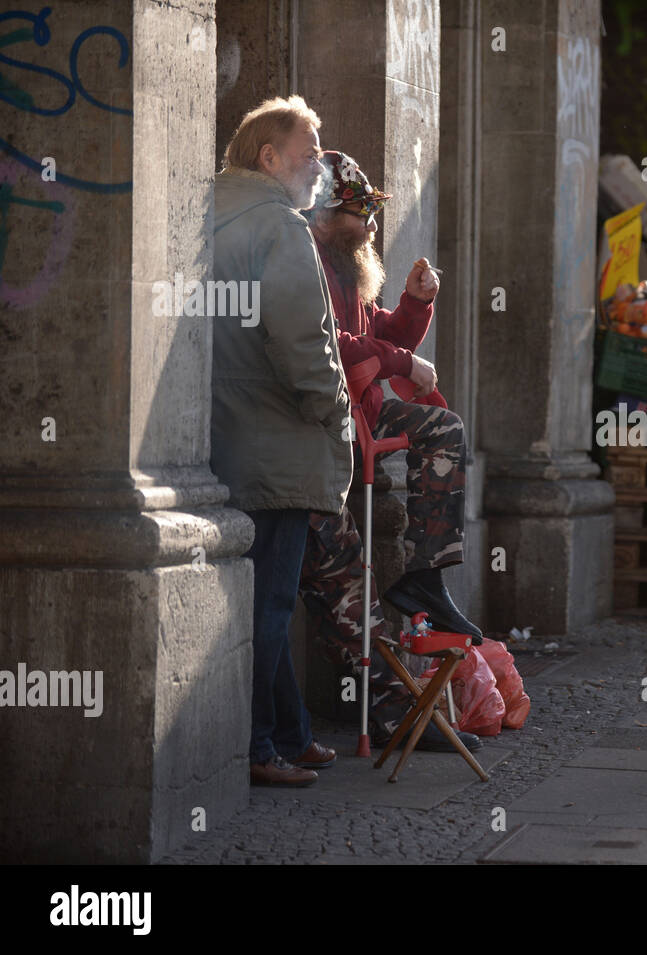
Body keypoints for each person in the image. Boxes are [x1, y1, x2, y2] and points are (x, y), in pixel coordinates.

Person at [300, 150, 481, 752]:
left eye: (373, 207)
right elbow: (336, 339)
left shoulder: (350, 265)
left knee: (446, 431)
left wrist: (414, 303)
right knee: (345, 584)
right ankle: (388, 709)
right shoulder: (308, 259)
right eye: (359, 209)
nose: (371, 221)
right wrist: (399, 361)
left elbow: (375, 331)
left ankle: (426, 576)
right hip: (327, 432)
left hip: (364, 413)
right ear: (326, 212)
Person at [212, 95, 351, 787]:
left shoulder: (211, 215)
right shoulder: (279, 227)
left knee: (268, 595)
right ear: (268, 157)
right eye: (309, 146)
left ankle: (290, 733)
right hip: (277, 439)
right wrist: (335, 411)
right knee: (270, 604)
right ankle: (258, 748)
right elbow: (303, 344)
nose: (320, 159)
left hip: (227, 435)